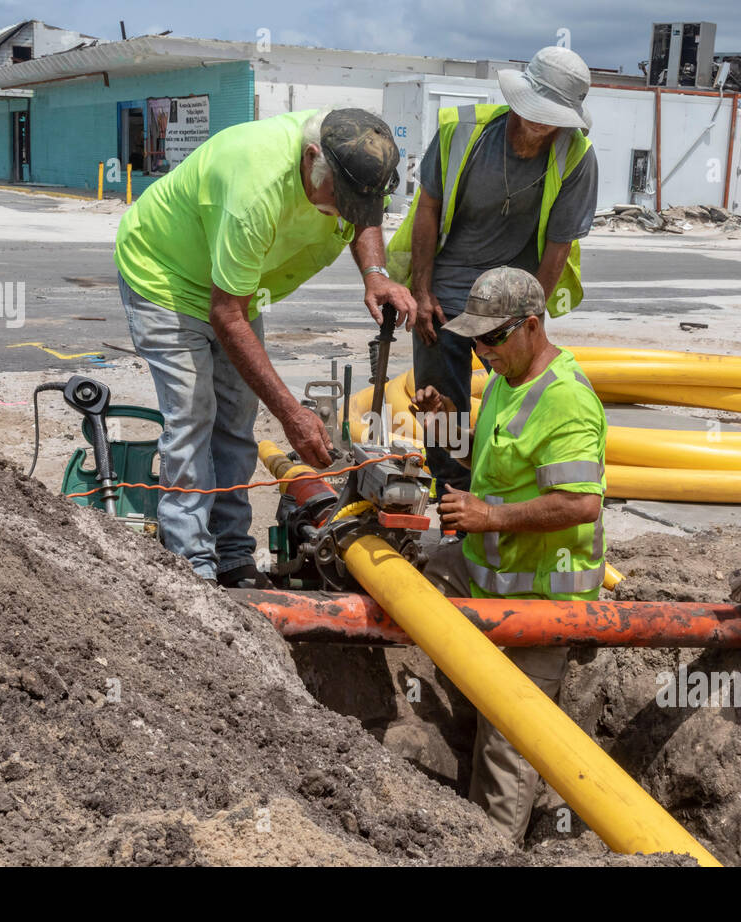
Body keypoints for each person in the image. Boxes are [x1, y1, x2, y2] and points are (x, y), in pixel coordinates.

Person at [115, 108, 418, 587]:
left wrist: (375, 274)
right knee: (194, 416)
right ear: (311, 159)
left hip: (236, 290)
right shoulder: (252, 190)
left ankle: (233, 553)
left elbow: (366, 221)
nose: (345, 215)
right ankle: (192, 564)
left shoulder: (349, 159)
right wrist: (291, 414)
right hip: (167, 280)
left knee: (236, 418)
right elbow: (225, 314)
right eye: (341, 202)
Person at [413, 266, 607, 843]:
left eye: (493, 338)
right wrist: (446, 422)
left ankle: (492, 849)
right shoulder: (506, 377)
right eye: (475, 339)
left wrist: (491, 517)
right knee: (412, 578)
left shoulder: (566, 400)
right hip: (492, 578)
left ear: (531, 326)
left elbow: (579, 505)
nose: (482, 351)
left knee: (507, 744)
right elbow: (495, 466)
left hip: (542, 600)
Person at [388, 46, 600, 494]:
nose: (542, 122)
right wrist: (422, 292)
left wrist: (528, 322)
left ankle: (503, 489)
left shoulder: (577, 157)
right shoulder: (461, 131)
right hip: (446, 287)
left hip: (509, 295)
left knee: (513, 396)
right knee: (442, 406)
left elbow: (558, 247)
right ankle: (451, 500)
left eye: (553, 115)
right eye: (535, 109)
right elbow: (428, 208)